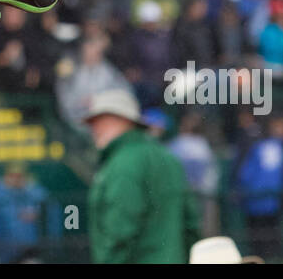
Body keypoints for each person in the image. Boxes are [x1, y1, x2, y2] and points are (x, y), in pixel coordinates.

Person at [85, 88, 200, 263]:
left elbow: (119, 233)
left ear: (121, 119)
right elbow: (191, 225)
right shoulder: (169, 158)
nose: (93, 129)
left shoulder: (121, 164)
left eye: (98, 121)